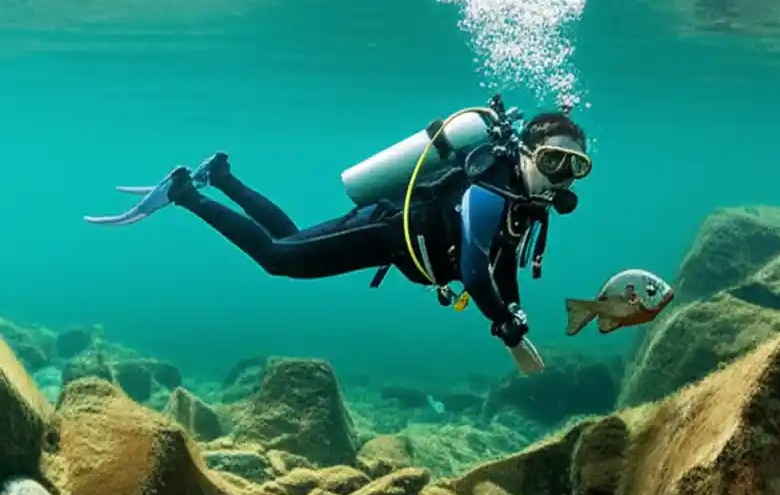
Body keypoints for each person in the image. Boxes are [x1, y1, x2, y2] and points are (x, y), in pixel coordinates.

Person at [84, 96, 592, 373]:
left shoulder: (523, 203)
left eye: (574, 169)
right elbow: (474, 269)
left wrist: (514, 313)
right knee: (278, 258)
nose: (558, 177)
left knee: (291, 238)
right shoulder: (490, 188)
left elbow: (503, 260)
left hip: (393, 233)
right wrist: (506, 328)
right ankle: (185, 193)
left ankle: (219, 175)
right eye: (551, 161)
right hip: (385, 230)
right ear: (526, 154)